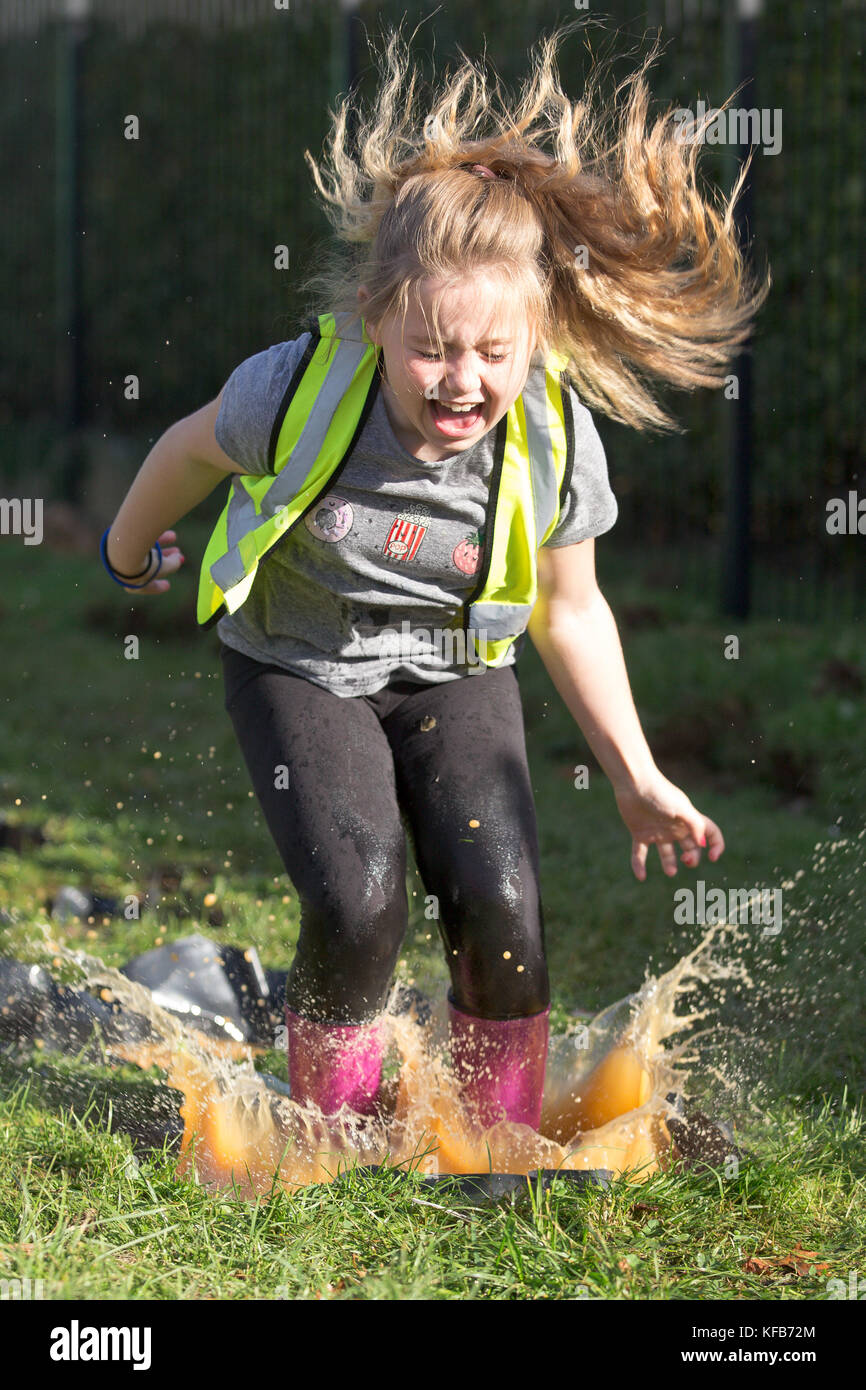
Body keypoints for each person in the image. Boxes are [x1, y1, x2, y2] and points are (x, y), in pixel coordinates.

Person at [100, 27, 768, 1134]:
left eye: (490, 355)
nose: (461, 382)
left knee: (503, 907)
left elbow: (570, 609)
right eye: (430, 350)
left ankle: (489, 1141)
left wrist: (635, 774)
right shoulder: (296, 390)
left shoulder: (550, 437)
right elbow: (184, 451)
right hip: (298, 665)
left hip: (456, 670)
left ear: (532, 339)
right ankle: (338, 1137)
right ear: (377, 318)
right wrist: (131, 554)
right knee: (359, 899)